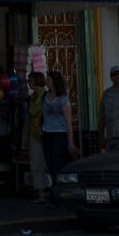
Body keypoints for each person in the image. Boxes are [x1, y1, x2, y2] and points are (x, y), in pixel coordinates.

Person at [40, 70, 78, 209]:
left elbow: (68, 122)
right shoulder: (45, 96)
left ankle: (58, 196)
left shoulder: (63, 98)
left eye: (49, 80)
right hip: (46, 133)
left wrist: (70, 142)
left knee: (58, 166)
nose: (47, 82)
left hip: (59, 134)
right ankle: (55, 194)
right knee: (50, 164)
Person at [25, 71, 51, 203]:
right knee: (36, 163)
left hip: (45, 132)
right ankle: (40, 192)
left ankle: (50, 190)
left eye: (30, 80)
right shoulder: (32, 98)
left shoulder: (45, 96)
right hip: (34, 133)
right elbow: (29, 118)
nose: (29, 83)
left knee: (48, 162)